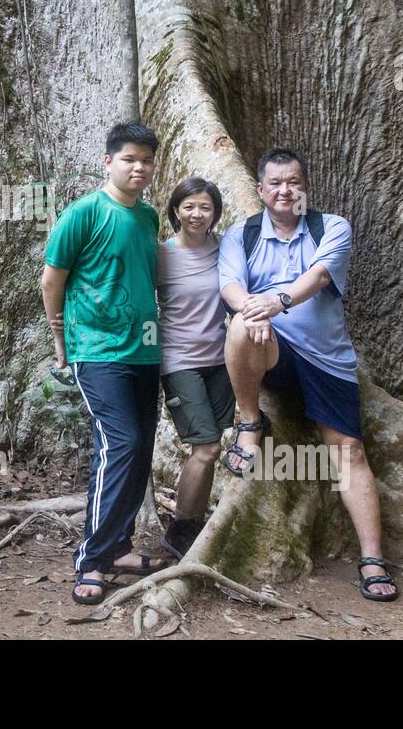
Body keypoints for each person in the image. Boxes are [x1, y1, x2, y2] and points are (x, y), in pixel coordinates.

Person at [217, 147, 399, 602]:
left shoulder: (331, 227)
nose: (284, 190)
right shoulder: (241, 234)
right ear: (259, 189)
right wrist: (251, 311)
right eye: (275, 182)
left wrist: (273, 303)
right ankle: (249, 420)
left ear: (306, 187)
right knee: (241, 325)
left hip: (328, 361)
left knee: (349, 454)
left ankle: (372, 558)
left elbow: (318, 278)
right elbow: (230, 286)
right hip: (272, 353)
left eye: (293, 182)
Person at [41, 122, 171, 606]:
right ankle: (91, 559)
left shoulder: (148, 218)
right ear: (108, 162)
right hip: (96, 352)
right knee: (122, 442)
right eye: (129, 159)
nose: (139, 168)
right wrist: (61, 343)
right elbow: (52, 282)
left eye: (147, 161)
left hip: (144, 351)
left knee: (137, 450)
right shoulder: (83, 213)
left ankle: (118, 547)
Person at [155, 177, 235, 560]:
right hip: (179, 362)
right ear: (175, 211)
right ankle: (180, 530)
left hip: (221, 361)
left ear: (215, 213)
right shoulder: (162, 255)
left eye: (205, 207)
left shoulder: (226, 249)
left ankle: (194, 523)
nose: (197, 214)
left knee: (213, 447)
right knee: (205, 446)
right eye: (189, 206)